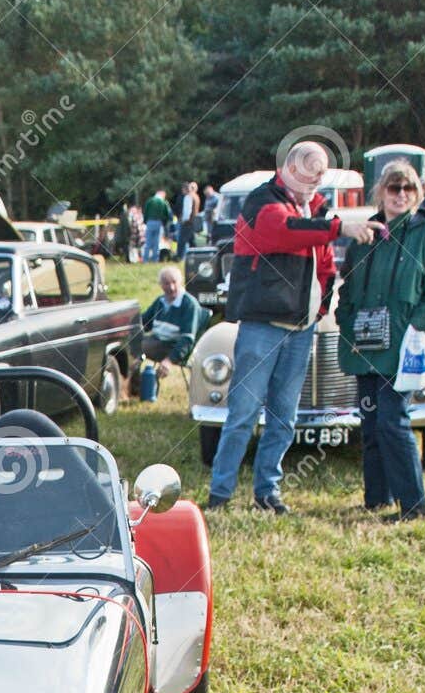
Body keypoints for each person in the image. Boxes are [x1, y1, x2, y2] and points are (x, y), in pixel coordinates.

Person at [207, 141, 376, 514]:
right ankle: (220, 494)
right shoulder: (261, 202)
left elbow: (326, 265)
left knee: (284, 417)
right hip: (262, 325)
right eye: (311, 169)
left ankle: (267, 491)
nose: (317, 178)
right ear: (287, 167)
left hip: (301, 329)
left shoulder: (315, 210)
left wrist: (319, 309)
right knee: (243, 414)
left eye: (321, 172)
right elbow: (284, 231)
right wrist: (338, 226)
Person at [338, 161, 425, 521]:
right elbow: (349, 290)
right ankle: (377, 498)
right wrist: (346, 322)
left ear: (418, 193)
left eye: (407, 189)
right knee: (370, 423)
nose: (400, 195)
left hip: (401, 348)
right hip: (365, 345)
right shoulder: (367, 235)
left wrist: (414, 328)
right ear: (381, 192)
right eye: (393, 188)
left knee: (392, 422)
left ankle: (416, 506)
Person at [138, 266, 206, 401]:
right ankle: (137, 388)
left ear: (180, 282)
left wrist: (169, 361)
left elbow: (187, 340)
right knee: (131, 344)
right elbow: (143, 323)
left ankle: (136, 389)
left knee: (134, 349)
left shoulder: (189, 304)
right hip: (156, 342)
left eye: (174, 282)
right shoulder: (160, 302)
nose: (171, 287)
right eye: (166, 283)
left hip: (174, 348)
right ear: (160, 285)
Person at [142, 187, 170, 264]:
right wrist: (164, 223)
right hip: (158, 222)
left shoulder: (150, 200)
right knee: (156, 242)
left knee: (148, 242)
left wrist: (145, 222)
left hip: (149, 222)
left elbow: (145, 212)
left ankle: (145, 260)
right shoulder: (163, 202)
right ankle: (155, 260)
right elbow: (166, 214)